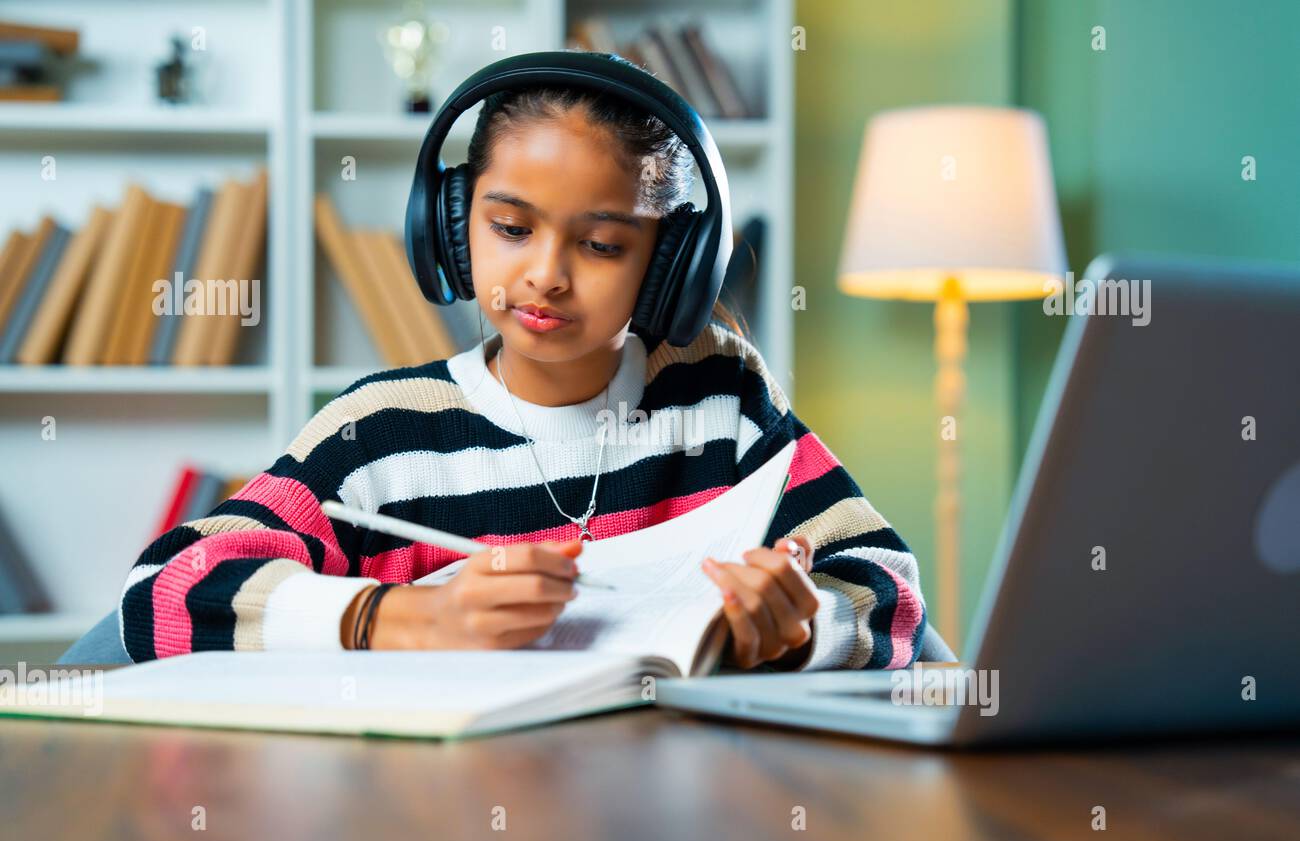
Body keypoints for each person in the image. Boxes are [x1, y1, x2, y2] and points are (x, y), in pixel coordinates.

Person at [118, 53, 928, 672]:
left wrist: (800, 623)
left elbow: (889, 591)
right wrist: (399, 619)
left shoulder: (725, 397)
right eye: (512, 228)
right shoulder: (380, 432)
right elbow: (160, 591)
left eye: (603, 244)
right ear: (452, 223)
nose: (546, 273)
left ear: (670, 265)